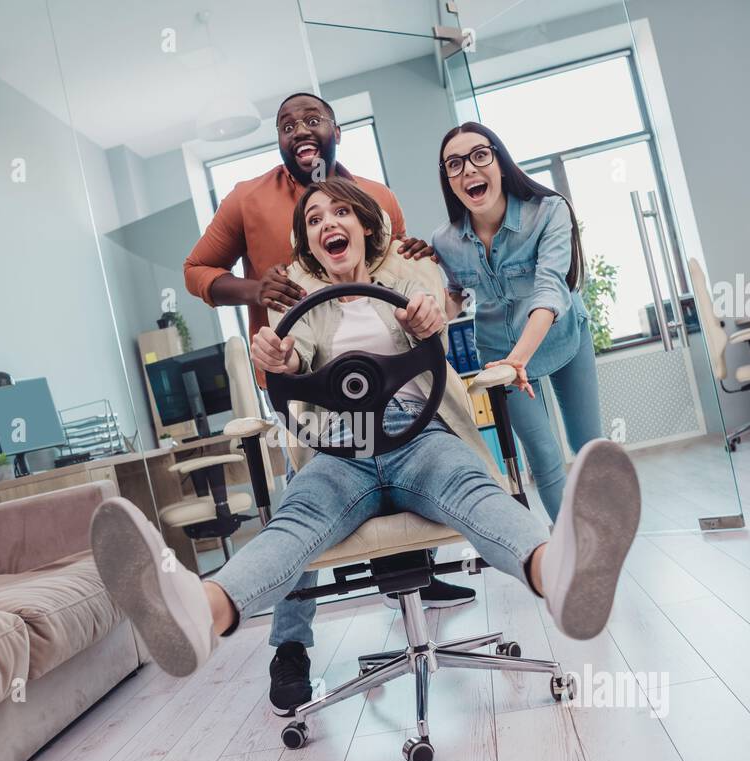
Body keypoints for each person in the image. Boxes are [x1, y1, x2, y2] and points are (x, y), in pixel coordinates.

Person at [98, 178, 641, 690]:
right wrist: (281, 358)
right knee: (294, 520)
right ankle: (199, 614)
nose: (327, 223)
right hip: (343, 446)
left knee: (475, 492)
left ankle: (561, 574)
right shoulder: (301, 300)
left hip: (420, 436)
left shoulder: (409, 277)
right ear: (309, 241)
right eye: (314, 219)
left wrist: (426, 324)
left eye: (339, 212)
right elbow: (297, 351)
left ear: (362, 225)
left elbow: (437, 318)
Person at [183, 92, 473, 716]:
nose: (300, 131)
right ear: (280, 141)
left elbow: (400, 261)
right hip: (303, 378)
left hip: (396, 382)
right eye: (286, 126)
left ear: (336, 129)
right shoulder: (246, 198)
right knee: (306, 505)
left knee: (412, 450)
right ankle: (291, 646)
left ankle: (416, 577)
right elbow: (197, 271)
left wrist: (420, 254)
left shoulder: (375, 193)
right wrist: (254, 287)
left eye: (312, 120)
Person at [432, 122, 603, 522]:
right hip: (498, 355)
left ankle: (600, 532)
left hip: (561, 337)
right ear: (448, 179)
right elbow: (457, 292)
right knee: (543, 457)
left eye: (479, 155)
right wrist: (435, 312)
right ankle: (572, 551)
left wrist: (518, 360)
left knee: (588, 444)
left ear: (500, 161)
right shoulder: (445, 240)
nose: (468, 170)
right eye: (454, 164)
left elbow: (549, 290)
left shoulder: (549, 211)